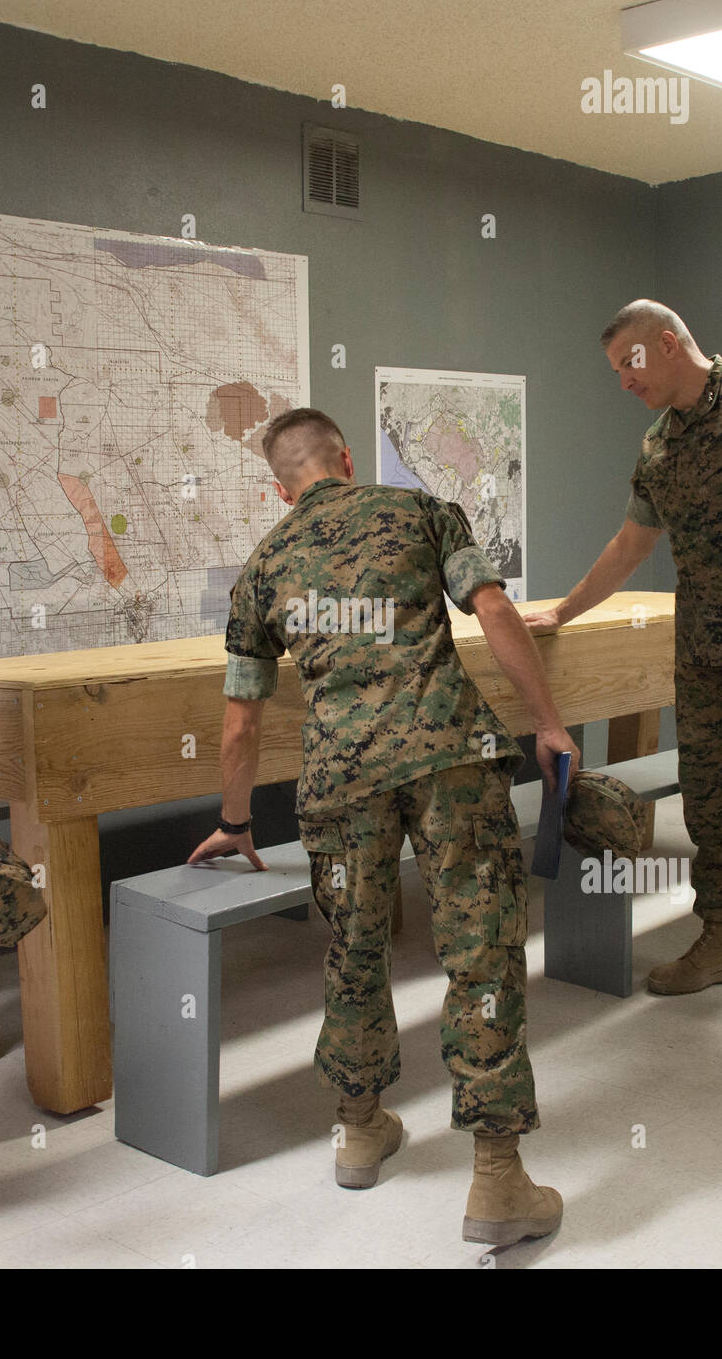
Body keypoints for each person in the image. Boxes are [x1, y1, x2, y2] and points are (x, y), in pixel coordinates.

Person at [187, 407, 580, 1246]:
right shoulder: (419, 511)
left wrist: (231, 820)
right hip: (450, 758)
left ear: (278, 486)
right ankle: (497, 1179)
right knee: (478, 952)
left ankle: (360, 1128)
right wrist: (544, 722)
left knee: (354, 950)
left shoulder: (261, 569)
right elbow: (494, 613)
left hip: (338, 779)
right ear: (344, 458)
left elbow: (239, 723)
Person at [524, 300, 722, 1056]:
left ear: (666, 345)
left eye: (627, 366)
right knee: (710, 793)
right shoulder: (658, 442)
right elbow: (632, 540)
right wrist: (565, 612)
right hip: (701, 647)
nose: (621, 383)